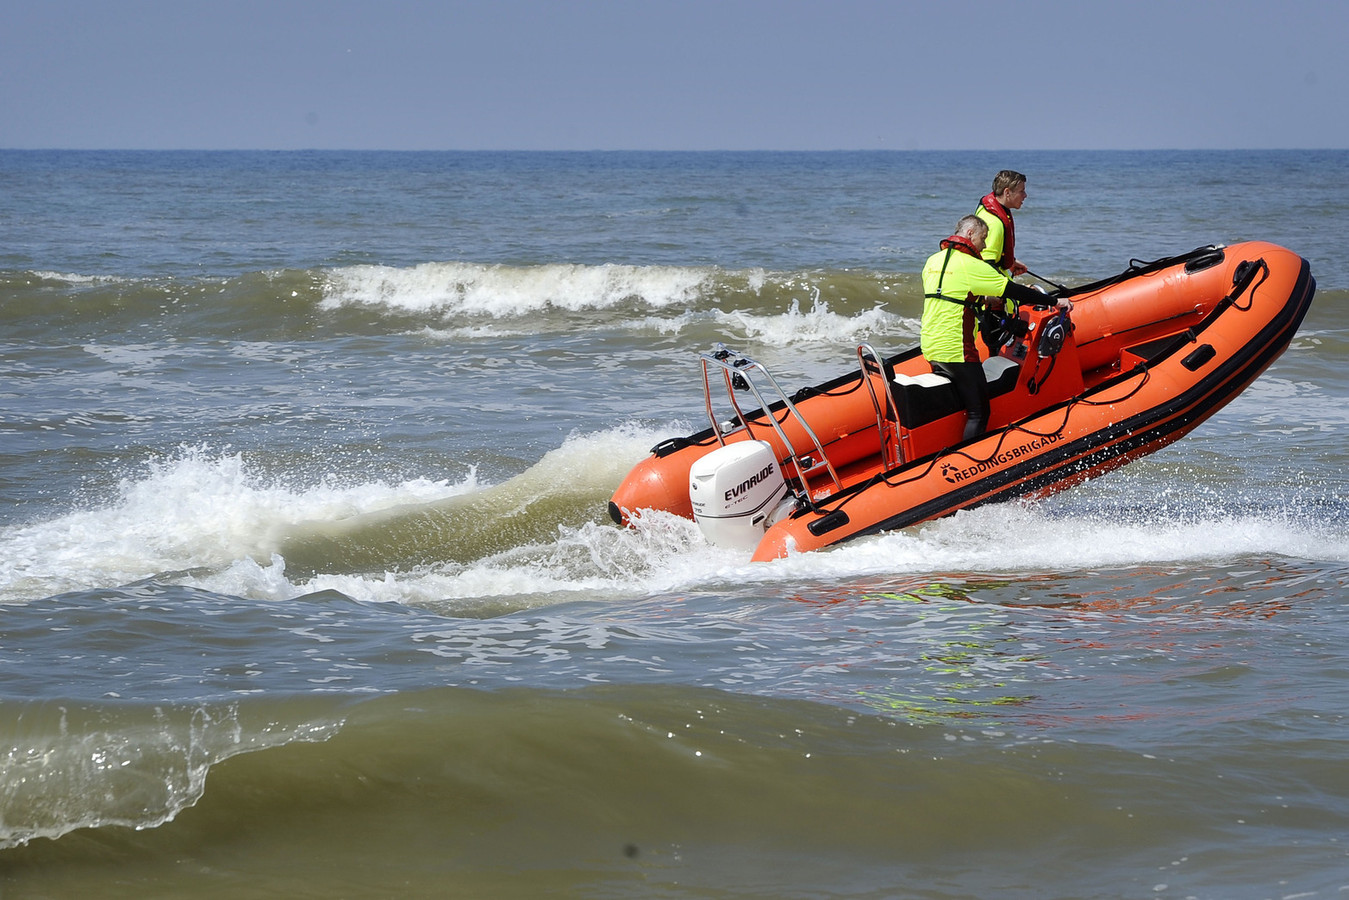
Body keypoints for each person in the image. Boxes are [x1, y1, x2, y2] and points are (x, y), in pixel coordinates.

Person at [920, 215, 1069, 441]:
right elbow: (1012, 290)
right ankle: (972, 461)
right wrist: (1055, 301)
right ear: (970, 233)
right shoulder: (971, 264)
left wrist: (982, 300)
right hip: (956, 350)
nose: (984, 245)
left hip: (931, 345)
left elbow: (950, 295)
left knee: (960, 404)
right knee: (979, 412)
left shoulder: (933, 261)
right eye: (983, 238)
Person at [976, 170, 1029, 277]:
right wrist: (1013, 286)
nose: (1025, 195)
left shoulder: (986, 209)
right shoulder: (994, 223)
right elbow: (986, 266)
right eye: (1021, 191)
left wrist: (1010, 262)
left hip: (996, 277)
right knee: (1034, 288)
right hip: (990, 283)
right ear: (1007, 192)